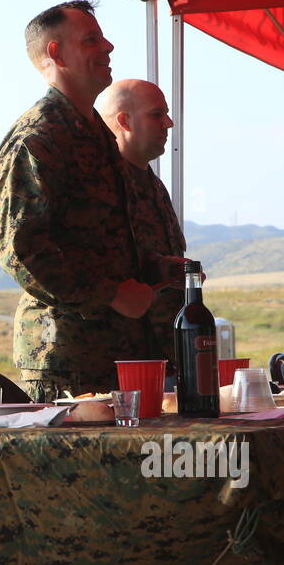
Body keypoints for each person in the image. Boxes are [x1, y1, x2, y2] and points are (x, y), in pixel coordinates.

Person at [0, 1, 189, 403]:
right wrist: (111, 293)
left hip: (122, 354)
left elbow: (106, 243)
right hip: (70, 358)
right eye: (91, 40)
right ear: (56, 53)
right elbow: (23, 251)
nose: (109, 47)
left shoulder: (98, 139)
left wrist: (156, 269)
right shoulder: (39, 137)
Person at [96, 80, 192, 380]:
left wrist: (169, 269)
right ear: (124, 120)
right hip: (107, 360)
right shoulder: (98, 183)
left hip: (153, 358)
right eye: (156, 114)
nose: (169, 123)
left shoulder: (150, 183)